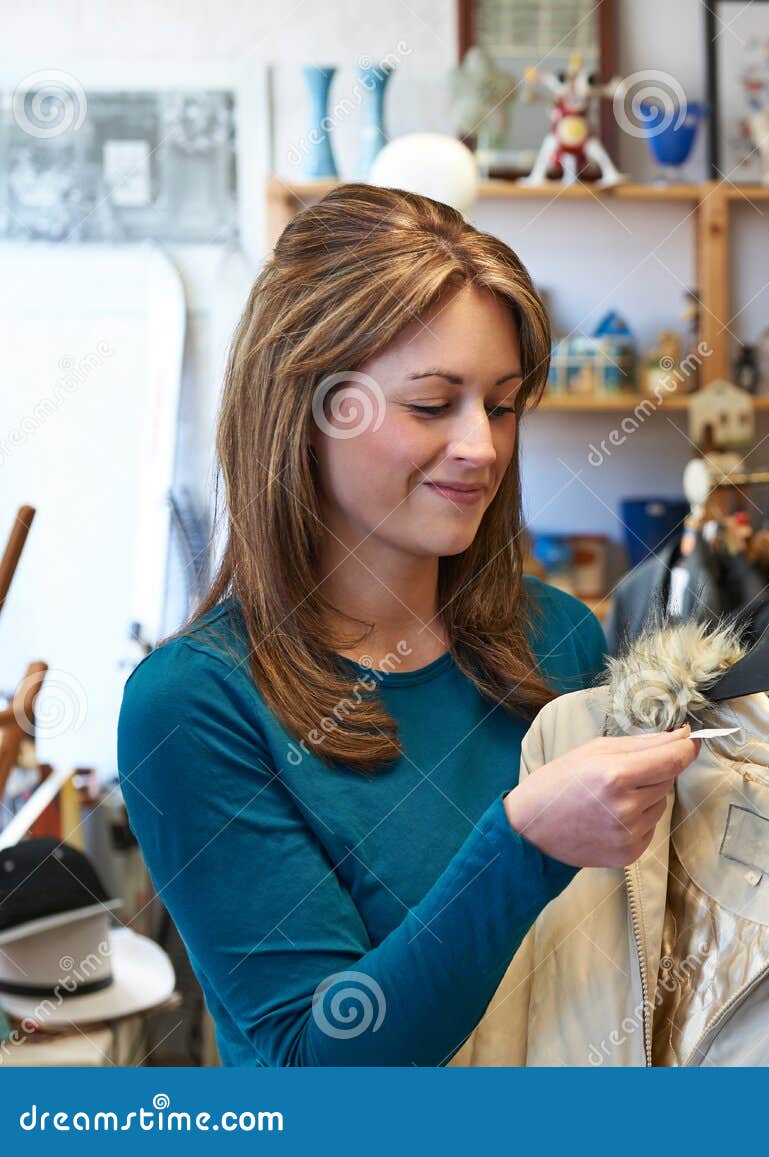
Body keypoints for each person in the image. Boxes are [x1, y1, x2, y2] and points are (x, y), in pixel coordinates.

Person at [117, 184, 697, 1066]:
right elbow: (313, 1077)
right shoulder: (194, 708)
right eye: (433, 404)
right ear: (306, 411)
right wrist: (524, 844)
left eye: (501, 404)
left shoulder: (559, 641)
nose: (483, 447)